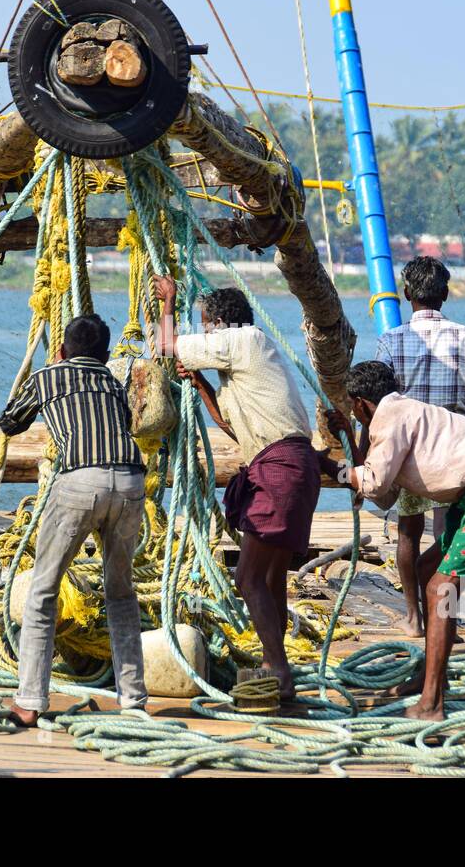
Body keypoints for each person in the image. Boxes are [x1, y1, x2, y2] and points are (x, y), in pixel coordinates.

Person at [324, 361, 465, 721]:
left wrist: (329, 468)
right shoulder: (396, 412)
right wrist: (349, 444)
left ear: (360, 403)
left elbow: (372, 485)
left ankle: (432, 703)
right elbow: (383, 489)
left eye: (353, 408)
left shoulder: (392, 418)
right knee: (428, 569)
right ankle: (432, 678)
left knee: (441, 587)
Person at [152, 275, 321, 700]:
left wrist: (170, 303)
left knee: (247, 579)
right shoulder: (248, 369)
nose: (205, 333)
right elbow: (229, 423)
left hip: (279, 467)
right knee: (271, 576)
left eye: (207, 325)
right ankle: (275, 664)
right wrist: (202, 385)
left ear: (223, 323)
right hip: (296, 466)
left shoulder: (244, 339)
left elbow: (165, 348)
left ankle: (277, 670)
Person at [0, 314, 149, 727]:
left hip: (81, 481)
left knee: (43, 590)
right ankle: (133, 698)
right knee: (121, 591)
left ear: (62, 350)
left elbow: (10, 422)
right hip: (132, 481)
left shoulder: (49, 376)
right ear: (104, 354)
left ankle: (29, 701)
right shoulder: (114, 383)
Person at [374, 256, 465, 638]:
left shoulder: (392, 340)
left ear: (406, 293)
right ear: (445, 293)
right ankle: (446, 618)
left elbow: (380, 399)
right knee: (453, 537)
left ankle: (413, 616)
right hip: (459, 453)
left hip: (412, 456)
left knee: (408, 533)